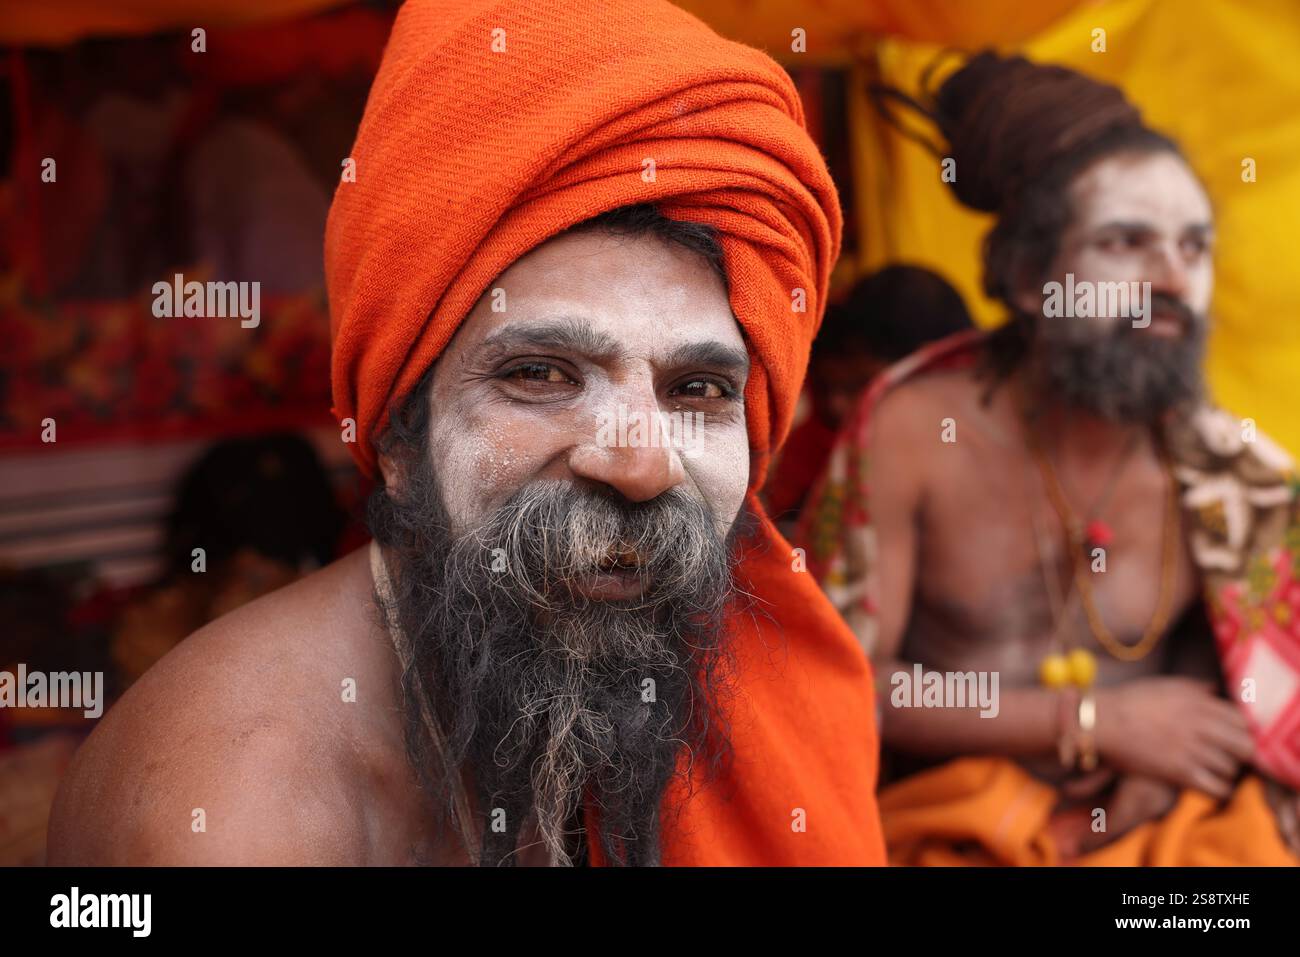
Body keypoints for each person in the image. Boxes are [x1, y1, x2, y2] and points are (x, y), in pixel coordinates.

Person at [47, 0, 885, 866]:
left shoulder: (738, 682)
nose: (639, 462)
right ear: (400, 440)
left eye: (698, 388)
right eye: (541, 374)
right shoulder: (240, 808)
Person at [799, 51, 1300, 865]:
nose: (1172, 278)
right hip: (950, 827)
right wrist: (1095, 720)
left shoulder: (1230, 476)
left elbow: (1264, 696)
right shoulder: (911, 430)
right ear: (1032, 278)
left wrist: (1174, 767)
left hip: (1159, 834)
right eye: (1127, 242)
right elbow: (838, 687)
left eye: (1195, 247)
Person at [764, 265, 972, 522]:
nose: (836, 405)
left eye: (859, 386)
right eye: (826, 387)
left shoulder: (992, 449)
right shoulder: (817, 444)